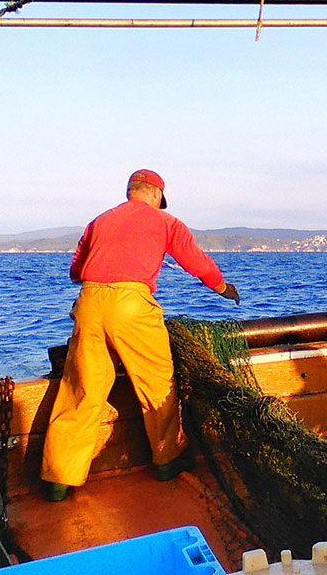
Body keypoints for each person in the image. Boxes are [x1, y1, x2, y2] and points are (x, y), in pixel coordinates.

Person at [41, 169, 240, 500]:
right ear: (157, 195)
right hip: (131, 304)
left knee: (81, 389)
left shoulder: (99, 221)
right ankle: (168, 460)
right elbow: (195, 260)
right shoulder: (166, 222)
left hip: (89, 303)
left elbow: (76, 270)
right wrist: (221, 287)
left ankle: (57, 479)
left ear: (130, 191)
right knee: (157, 384)